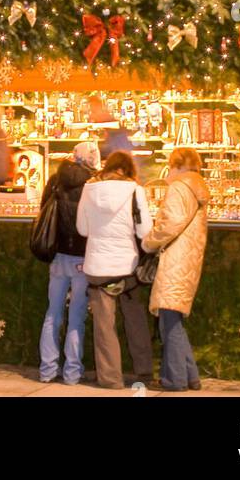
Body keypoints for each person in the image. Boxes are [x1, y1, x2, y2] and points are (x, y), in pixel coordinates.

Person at [76, 150, 153, 390]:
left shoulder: (89, 190)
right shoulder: (135, 191)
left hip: (98, 268)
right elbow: (144, 232)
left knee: (104, 325)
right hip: (127, 268)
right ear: (129, 170)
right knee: (135, 320)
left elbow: (82, 229)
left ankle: (110, 379)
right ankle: (144, 372)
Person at [141, 147, 209, 392]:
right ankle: (191, 377)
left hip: (176, 259)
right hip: (187, 259)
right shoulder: (196, 186)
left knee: (169, 320)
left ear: (177, 165)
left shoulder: (180, 187)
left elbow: (170, 223)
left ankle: (175, 379)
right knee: (174, 317)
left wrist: (148, 242)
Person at [38, 141, 99, 386]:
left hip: (57, 256)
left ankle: (47, 369)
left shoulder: (55, 180)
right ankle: (72, 372)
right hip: (83, 257)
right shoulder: (93, 184)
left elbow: (43, 211)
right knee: (76, 316)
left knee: (52, 313)